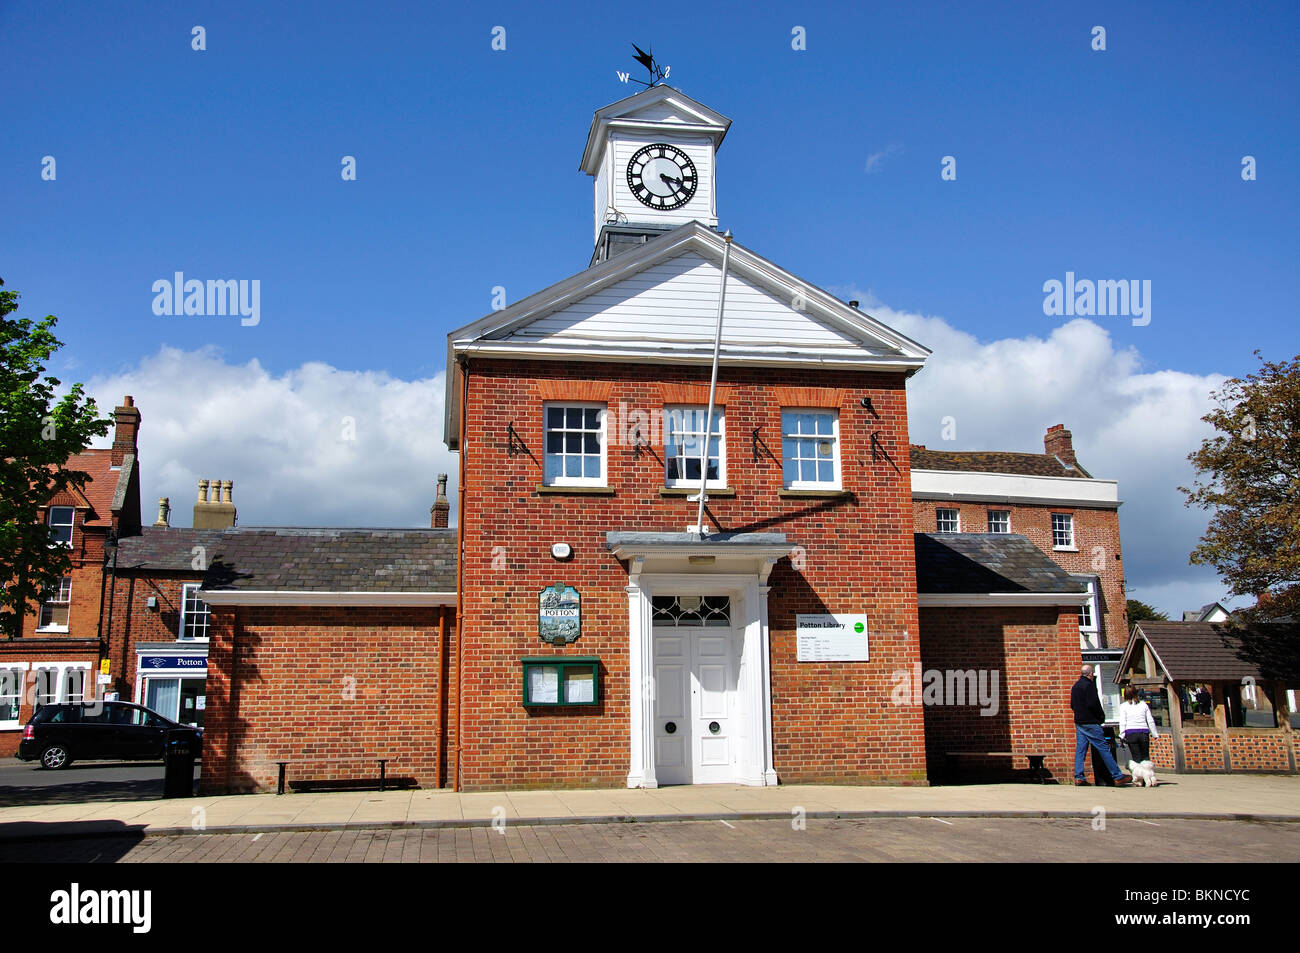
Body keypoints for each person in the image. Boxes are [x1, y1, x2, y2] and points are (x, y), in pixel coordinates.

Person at [1071, 665, 1131, 786]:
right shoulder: (1089, 686)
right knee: (1103, 748)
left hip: (1079, 722)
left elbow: (1072, 704)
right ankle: (1117, 776)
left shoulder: (1075, 686)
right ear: (1091, 674)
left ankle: (1079, 776)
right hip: (1091, 722)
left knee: (1080, 750)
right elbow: (1094, 704)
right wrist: (1101, 717)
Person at [1118, 686, 1160, 762]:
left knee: (1136, 757)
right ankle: (1147, 773)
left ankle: (1139, 773)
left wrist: (1121, 735)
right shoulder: (1143, 705)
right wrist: (1155, 734)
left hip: (1130, 733)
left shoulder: (1123, 706)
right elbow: (1150, 720)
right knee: (1145, 757)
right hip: (1143, 732)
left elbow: (1123, 722)